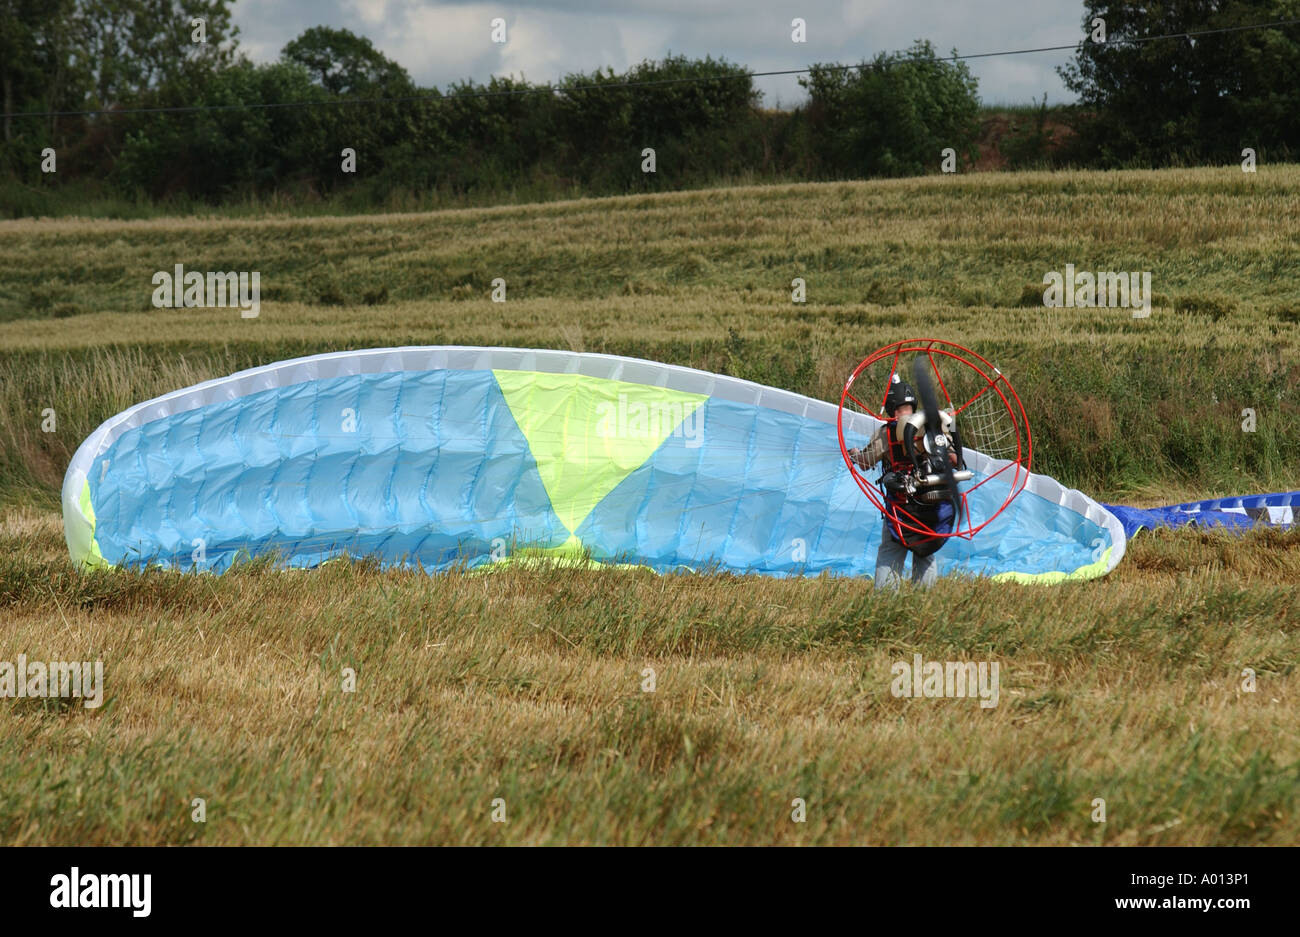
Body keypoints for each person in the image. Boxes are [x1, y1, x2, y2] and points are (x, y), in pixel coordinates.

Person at [847, 375, 960, 591]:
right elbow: (955, 461)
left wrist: (854, 454)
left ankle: (886, 603)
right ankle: (923, 603)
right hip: (933, 506)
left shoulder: (886, 433)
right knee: (925, 551)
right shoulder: (933, 426)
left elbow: (865, 462)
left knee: (891, 550)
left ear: (891, 407)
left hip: (902, 508)